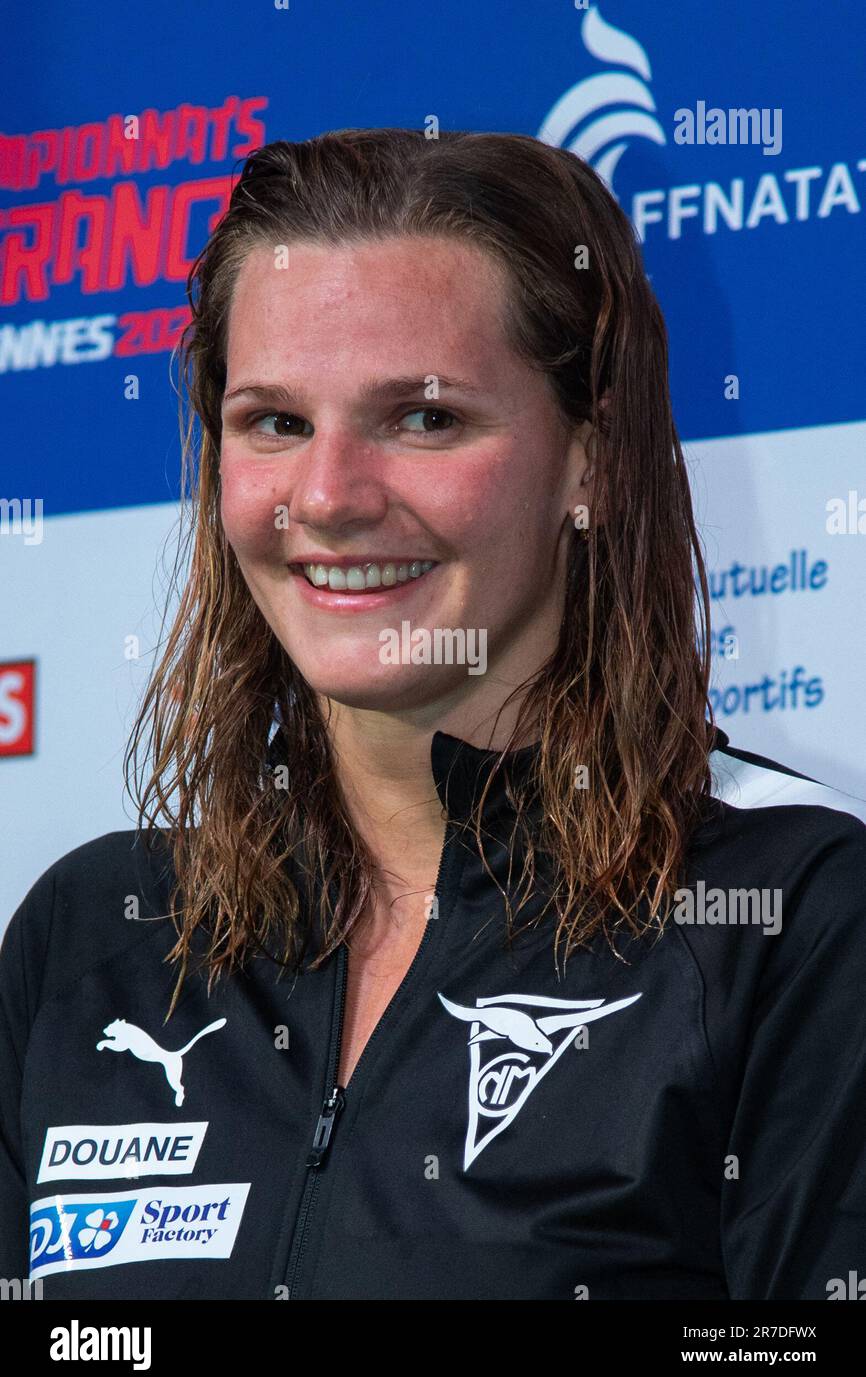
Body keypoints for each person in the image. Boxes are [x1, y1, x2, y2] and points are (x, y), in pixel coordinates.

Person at [2, 128, 865, 1301]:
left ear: (590, 463)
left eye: (423, 420)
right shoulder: (93, 934)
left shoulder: (789, 916)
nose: (327, 497)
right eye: (274, 421)